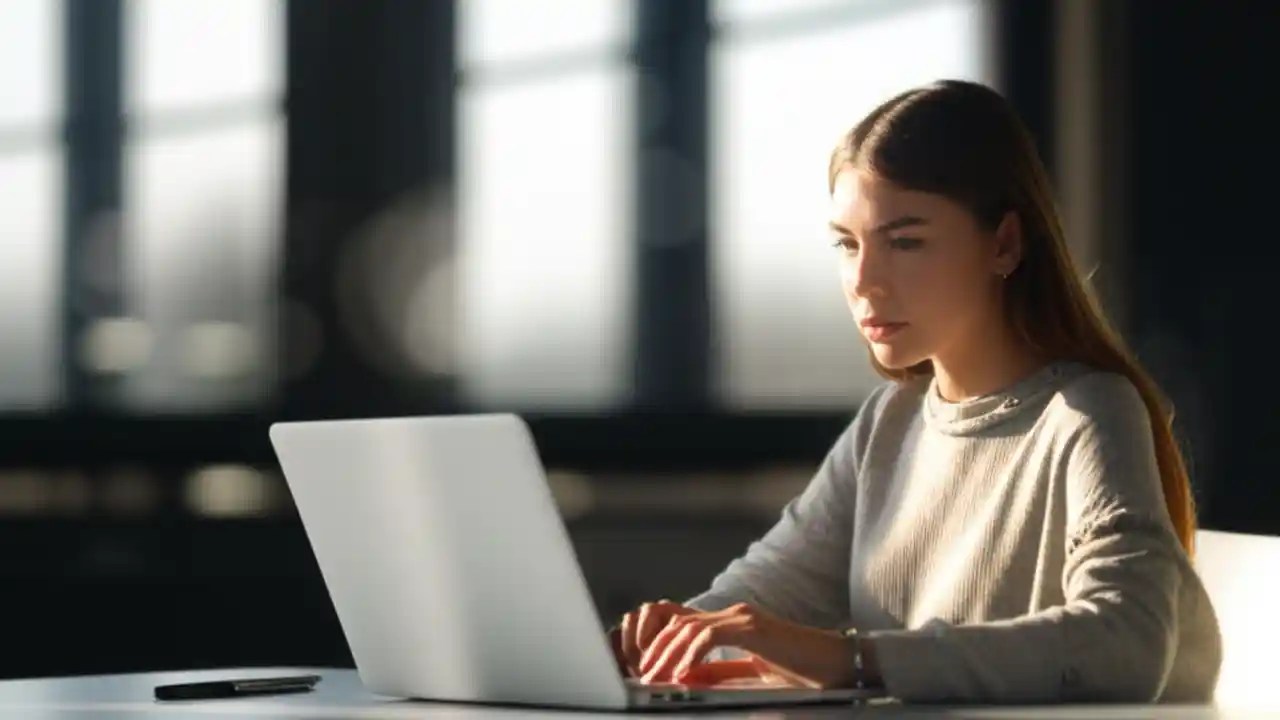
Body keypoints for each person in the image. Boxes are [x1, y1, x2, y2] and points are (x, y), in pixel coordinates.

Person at [609, 80, 1222, 704]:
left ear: (1004, 244)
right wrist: (672, 636)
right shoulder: (891, 422)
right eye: (847, 244)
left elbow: (1127, 643)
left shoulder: (1087, 413)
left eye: (905, 242)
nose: (864, 281)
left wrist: (853, 659)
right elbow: (766, 594)